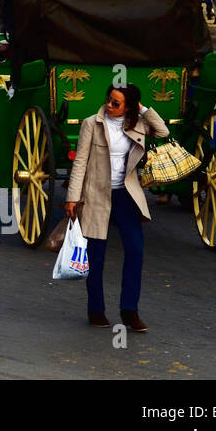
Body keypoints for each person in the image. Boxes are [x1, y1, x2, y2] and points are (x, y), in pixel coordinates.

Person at [66, 83, 168, 332]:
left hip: (126, 196)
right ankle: (96, 309)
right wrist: (72, 197)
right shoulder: (92, 124)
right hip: (96, 196)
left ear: (129, 107)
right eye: (109, 100)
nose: (110, 106)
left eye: (117, 103)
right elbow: (80, 162)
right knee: (97, 256)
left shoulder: (138, 124)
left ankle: (129, 311)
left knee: (135, 251)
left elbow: (163, 132)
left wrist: (142, 108)